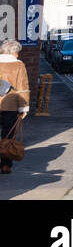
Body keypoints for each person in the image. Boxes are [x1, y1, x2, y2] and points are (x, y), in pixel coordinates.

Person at [0, 40, 30, 175]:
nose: (18, 55)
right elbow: (22, 88)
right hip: (10, 106)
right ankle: (5, 165)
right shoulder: (18, 65)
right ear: (12, 52)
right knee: (8, 137)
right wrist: (23, 108)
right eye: (17, 52)